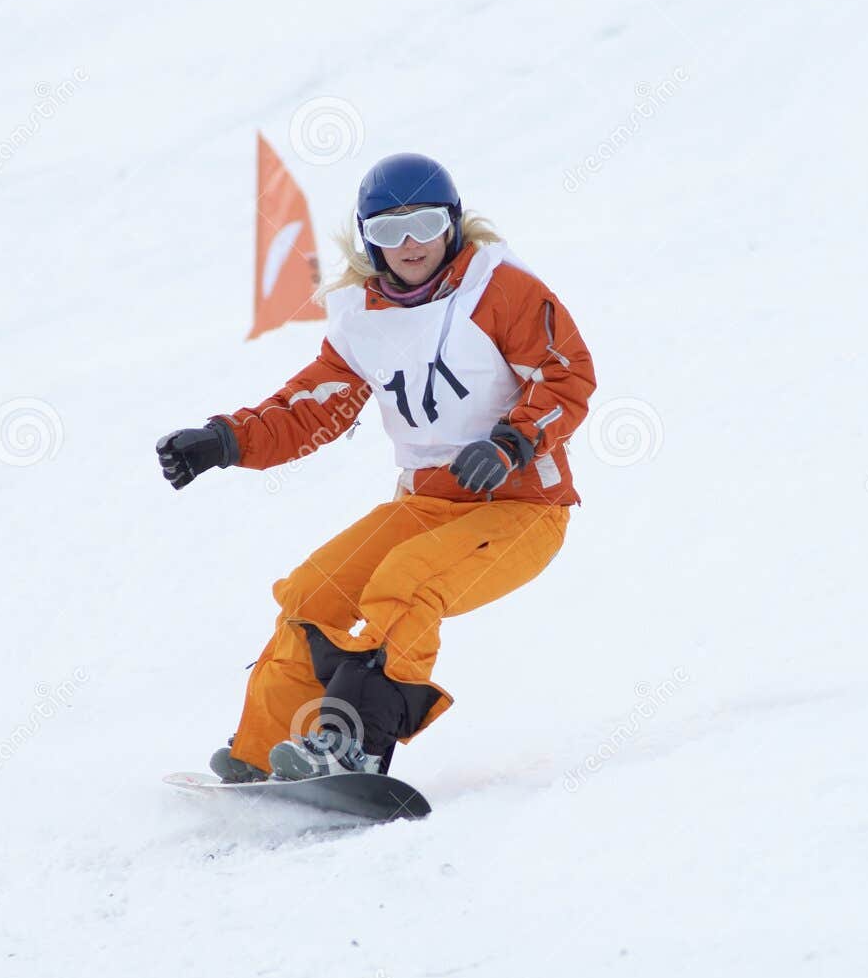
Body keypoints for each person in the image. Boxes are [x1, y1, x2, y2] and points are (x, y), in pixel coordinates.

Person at [156, 152, 597, 782]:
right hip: (424, 504)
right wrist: (226, 442)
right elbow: (313, 406)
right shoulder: (362, 320)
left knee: (407, 580)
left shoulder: (503, 290)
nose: (410, 243)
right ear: (368, 239)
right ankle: (262, 750)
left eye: (424, 224)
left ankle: (352, 745)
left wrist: (511, 443)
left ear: (454, 222)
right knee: (314, 589)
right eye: (389, 231)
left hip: (523, 508)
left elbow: (566, 375)